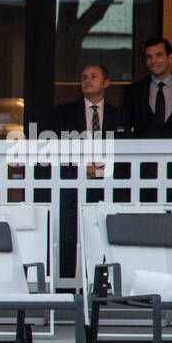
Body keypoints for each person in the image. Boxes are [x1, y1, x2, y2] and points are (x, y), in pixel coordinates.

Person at [53, 63, 133, 278]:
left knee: (106, 236)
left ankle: (107, 284)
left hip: (110, 186)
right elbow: (57, 149)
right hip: (76, 186)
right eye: (84, 77)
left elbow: (128, 154)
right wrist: (81, 168)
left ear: (106, 82)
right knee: (71, 237)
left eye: (94, 76)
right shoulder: (65, 113)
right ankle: (68, 285)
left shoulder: (121, 116)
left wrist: (108, 167)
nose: (88, 80)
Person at [121, 36, 172, 139]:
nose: (153, 61)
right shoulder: (133, 91)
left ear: (169, 58)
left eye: (159, 55)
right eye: (149, 57)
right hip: (144, 152)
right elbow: (125, 127)